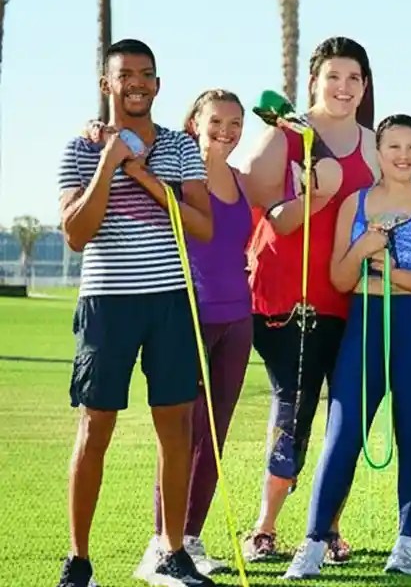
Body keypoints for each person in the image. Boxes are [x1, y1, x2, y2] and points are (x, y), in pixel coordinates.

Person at [56, 39, 215, 587]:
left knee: (177, 427)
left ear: (158, 84)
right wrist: (107, 161)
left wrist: (141, 170)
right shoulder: (79, 149)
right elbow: (77, 234)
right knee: (95, 427)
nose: (138, 83)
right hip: (106, 305)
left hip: (170, 301)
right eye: (126, 75)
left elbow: (201, 225)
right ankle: (78, 561)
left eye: (147, 74)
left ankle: (172, 551)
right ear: (108, 84)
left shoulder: (179, 147)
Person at [283, 114, 411, 579]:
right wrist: (364, 247)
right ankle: (314, 541)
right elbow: (341, 277)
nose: (404, 156)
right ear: (377, 153)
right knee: (342, 433)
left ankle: (405, 542)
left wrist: (391, 274)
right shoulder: (354, 205)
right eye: (395, 147)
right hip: (365, 325)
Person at [240, 36, 380, 562]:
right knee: (293, 411)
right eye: (333, 77)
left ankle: (326, 528)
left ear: (365, 86)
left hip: (354, 298)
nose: (344, 88)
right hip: (289, 300)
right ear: (314, 81)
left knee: (346, 419)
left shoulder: (375, 143)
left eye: (354, 78)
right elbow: (266, 211)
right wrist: (313, 194)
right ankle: (266, 526)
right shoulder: (287, 134)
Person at [126, 90, 255, 582]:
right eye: (216, 121)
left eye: (235, 123)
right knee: (181, 433)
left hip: (237, 318)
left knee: (214, 437)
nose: (226, 130)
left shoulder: (241, 181)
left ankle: (190, 540)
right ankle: (161, 543)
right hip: (189, 316)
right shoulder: (178, 175)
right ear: (195, 123)